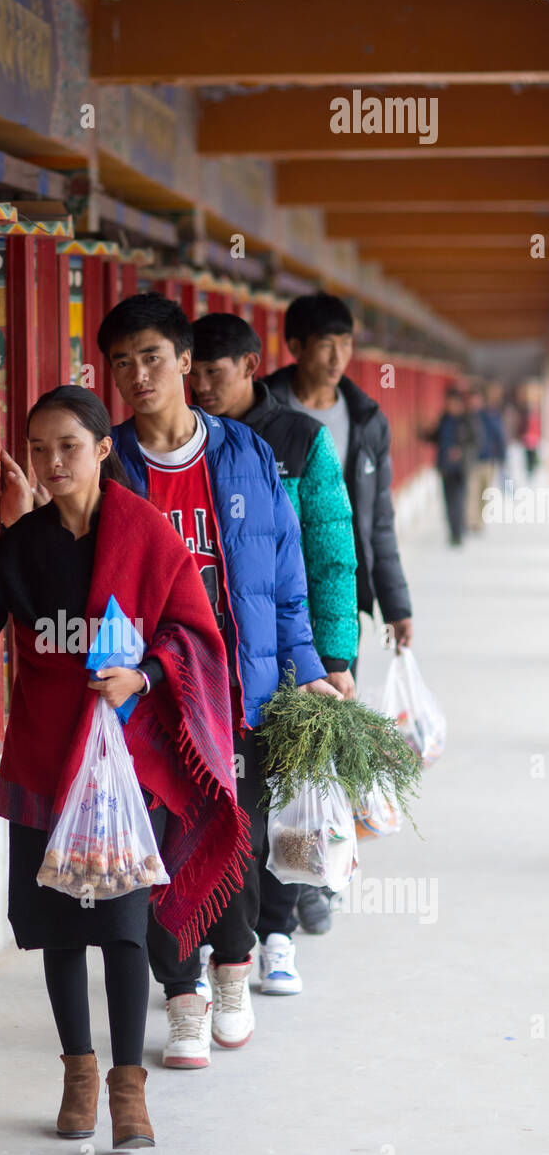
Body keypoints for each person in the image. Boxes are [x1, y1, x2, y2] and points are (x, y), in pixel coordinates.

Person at [0, 385, 249, 1146]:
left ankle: (126, 1092)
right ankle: (78, 1075)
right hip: (45, 751)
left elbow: (195, 636)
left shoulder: (145, 533)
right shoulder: (22, 544)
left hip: (119, 762)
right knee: (57, 925)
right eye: (38, 449)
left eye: (67, 446)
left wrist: (139, 677)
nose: (51, 462)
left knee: (120, 924)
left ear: (105, 449)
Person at [94, 293, 341, 1070]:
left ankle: (231, 970)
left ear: (184, 364)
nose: (138, 375)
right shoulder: (112, 464)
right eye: (122, 362)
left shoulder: (242, 453)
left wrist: (309, 670)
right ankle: (182, 997)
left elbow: (284, 576)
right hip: (148, 693)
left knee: (236, 833)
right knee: (162, 846)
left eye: (152, 358)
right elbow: (90, 581)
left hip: (239, 688)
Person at [189, 311, 360, 937]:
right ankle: (227, 934)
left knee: (286, 788)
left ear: (250, 367)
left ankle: (285, 919)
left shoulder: (300, 439)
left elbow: (332, 551)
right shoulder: (186, 441)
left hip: (293, 648)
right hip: (212, 652)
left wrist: (335, 656)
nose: (202, 385)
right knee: (229, 797)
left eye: (214, 372)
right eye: (194, 371)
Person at [264, 292, 413, 666]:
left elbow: (379, 519)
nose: (338, 358)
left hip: (341, 593)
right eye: (326, 345)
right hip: (274, 589)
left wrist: (396, 604)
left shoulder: (368, 422)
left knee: (337, 704)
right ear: (296, 346)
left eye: (346, 345)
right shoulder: (261, 413)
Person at [429, 387, 481, 546]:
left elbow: (476, 442)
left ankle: (459, 531)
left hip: (461, 467)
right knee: (448, 500)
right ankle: (453, 531)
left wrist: (461, 452)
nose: (451, 406)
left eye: (453, 403)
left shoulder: (467, 420)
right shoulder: (444, 419)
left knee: (459, 499)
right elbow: (435, 438)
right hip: (446, 466)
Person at [466, 384, 502, 534]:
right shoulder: (466, 417)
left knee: (484, 492)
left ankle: (480, 520)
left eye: (477, 400)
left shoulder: (488, 416)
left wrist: (502, 455)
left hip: (488, 460)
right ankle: (472, 521)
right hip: (472, 461)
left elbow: (498, 435)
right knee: (472, 492)